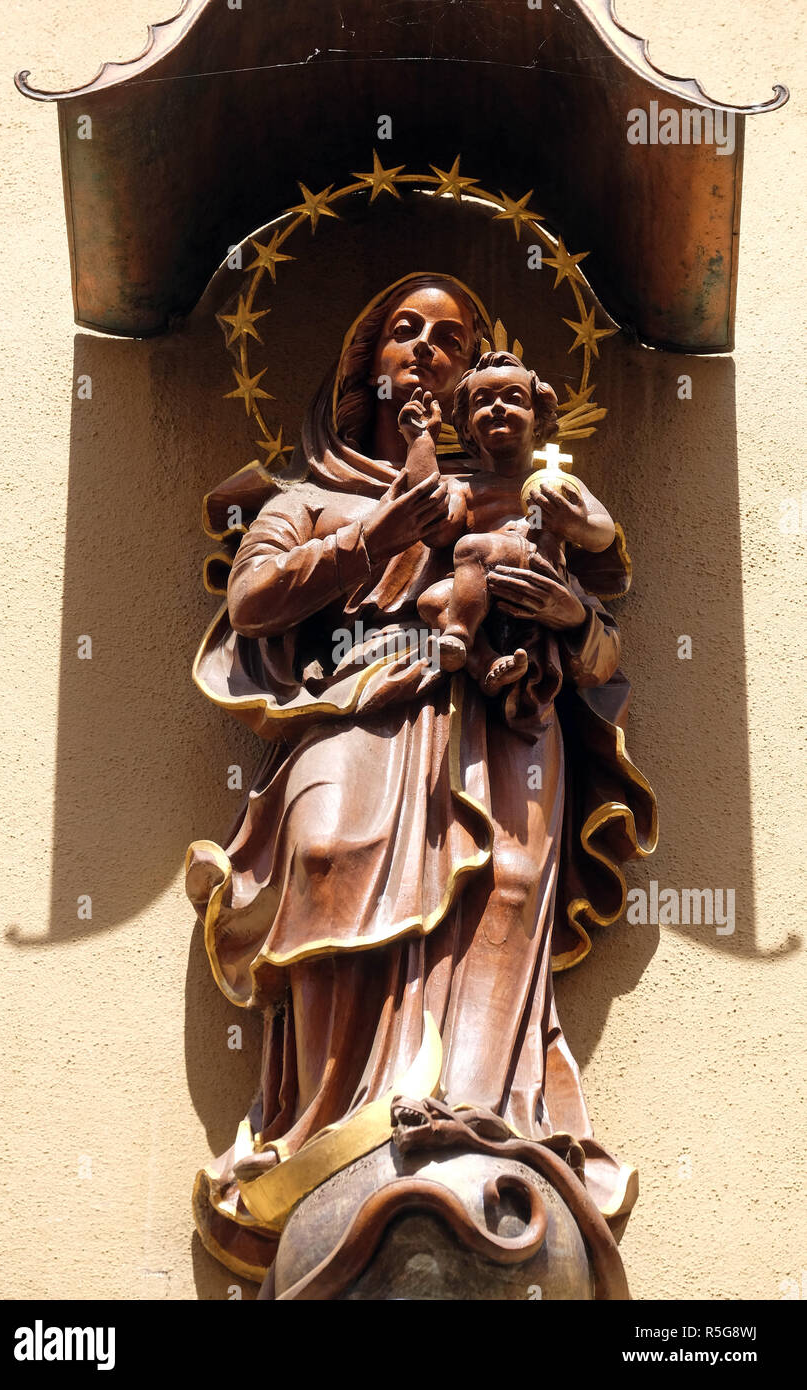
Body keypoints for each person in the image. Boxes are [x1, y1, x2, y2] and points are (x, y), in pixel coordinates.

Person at [187, 273, 657, 1282]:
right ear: (366, 363)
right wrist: (380, 531)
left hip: (497, 713)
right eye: (406, 331)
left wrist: (572, 618)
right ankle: (334, 1124)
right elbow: (257, 598)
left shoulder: (521, 494)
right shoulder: (305, 494)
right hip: (355, 699)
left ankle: (477, 1110)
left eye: (455, 337)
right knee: (324, 853)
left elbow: (600, 631)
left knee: (506, 886)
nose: (429, 351)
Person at [397, 351, 616, 693]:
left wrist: (572, 522)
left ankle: (458, 634)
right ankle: (485, 662)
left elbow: (603, 533)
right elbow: (436, 528)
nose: (497, 407)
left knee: (471, 546)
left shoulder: (553, 481)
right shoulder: (464, 489)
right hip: (479, 586)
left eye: (514, 399)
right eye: (483, 401)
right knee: (431, 600)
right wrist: (422, 444)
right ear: (467, 425)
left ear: (538, 418)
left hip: (535, 568)